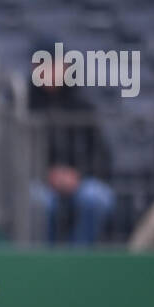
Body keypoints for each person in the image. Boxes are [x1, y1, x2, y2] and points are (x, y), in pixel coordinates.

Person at [27, 51, 115, 245]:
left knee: (97, 198)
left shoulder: (83, 107)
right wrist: (47, 175)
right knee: (39, 202)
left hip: (79, 180)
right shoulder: (24, 106)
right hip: (38, 181)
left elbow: (101, 154)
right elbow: (15, 157)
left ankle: (78, 259)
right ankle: (43, 260)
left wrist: (78, 175)